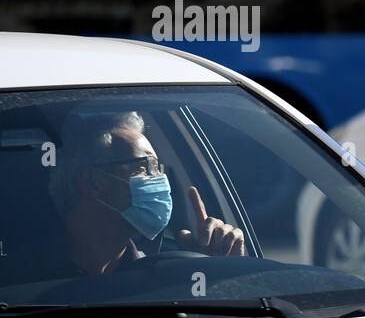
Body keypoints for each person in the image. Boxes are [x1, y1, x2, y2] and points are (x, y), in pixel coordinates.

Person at [47, 111, 244, 275]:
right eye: (144, 166)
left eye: (157, 167)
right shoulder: (25, 277)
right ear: (93, 182)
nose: (159, 179)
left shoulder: (161, 276)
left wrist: (216, 270)